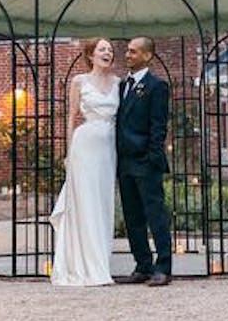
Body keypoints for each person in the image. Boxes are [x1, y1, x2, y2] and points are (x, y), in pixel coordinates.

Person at [49, 37, 118, 286]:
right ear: (91, 55)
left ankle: (101, 258)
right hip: (84, 147)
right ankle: (87, 265)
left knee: (103, 203)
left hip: (108, 149)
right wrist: (68, 153)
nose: (107, 52)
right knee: (85, 203)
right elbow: (71, 117)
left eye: (110, 49)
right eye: (102, 49)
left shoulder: (118, 83)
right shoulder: (79, 81)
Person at [114, 36, 172, 287]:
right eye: (127, 51)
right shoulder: (122, 85)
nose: (127, 55)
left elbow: (158, 127)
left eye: (133, 52)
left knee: (155, 216)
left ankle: (163, 267)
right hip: (125, 163)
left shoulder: (156, 86)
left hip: (146, 163)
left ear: (147, 56)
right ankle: (143, 265)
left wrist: (151, 158)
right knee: (133, 217)